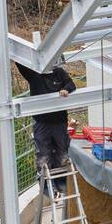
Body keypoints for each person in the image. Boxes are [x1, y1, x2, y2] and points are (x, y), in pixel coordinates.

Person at [14, 59, 77, 193]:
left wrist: (66, 89)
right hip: (42, 123)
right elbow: (21, 64)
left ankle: (61, 183)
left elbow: (71, 84)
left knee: (62, 153)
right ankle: (47, 187)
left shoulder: (58, 73)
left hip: (59, 122)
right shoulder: (34, 75)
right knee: (43, 155)